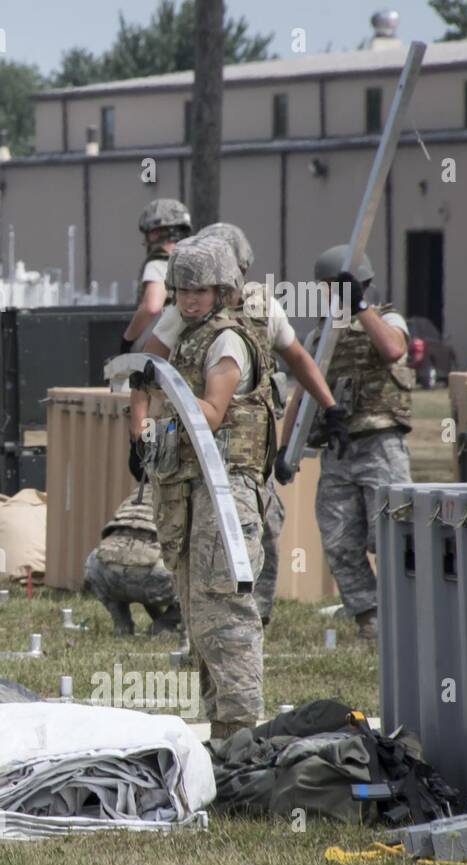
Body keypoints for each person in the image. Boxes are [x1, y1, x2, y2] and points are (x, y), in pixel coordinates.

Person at [143, 222, 351, 624]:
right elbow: (150, 367)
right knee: (196, 538)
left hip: (249, 451)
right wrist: (144, 431)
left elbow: (297, 359)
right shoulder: (186, 312)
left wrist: (330, 406)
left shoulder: (263, 307)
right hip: (196, 450)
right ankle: (202, 620)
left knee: (262, 532)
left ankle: (257, 617)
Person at [130, 235, 272, 741]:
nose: (190, 299)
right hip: (188, 485)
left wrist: (161, 428)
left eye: (201, 290)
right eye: (182, 290)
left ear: (224, 290)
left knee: (223, 610)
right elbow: (142, 370)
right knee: (195, 611)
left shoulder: (227, 340)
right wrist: (142, 434)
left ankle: (239, 732)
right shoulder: (186, 330)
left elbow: (209, 414)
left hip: (225, 491)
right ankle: (221, 731)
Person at [276, 245, 414, 641]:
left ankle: (402, 615)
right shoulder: (321, 334)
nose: (326, 293)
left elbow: (392, 349)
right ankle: (369, 619)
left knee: (387, 535)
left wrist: (359, 307)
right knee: (338, 539)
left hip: (380, 445)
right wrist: (287, 450)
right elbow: (302, 395)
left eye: (332, 287)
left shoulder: (387, 318)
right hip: (338, 450)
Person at [83, 486, 181, 639]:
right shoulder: (185, 491)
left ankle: (122, 623)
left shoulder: (137, 494)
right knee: (207, 573)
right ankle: (166, 624)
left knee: (96, 559)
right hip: (156, 578)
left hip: (108, 576)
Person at [120, 198, 192, 353]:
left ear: (155, 232)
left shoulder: (159, 261)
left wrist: (127, 340)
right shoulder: (195, 262)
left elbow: (152, 307)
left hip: (163, 349)